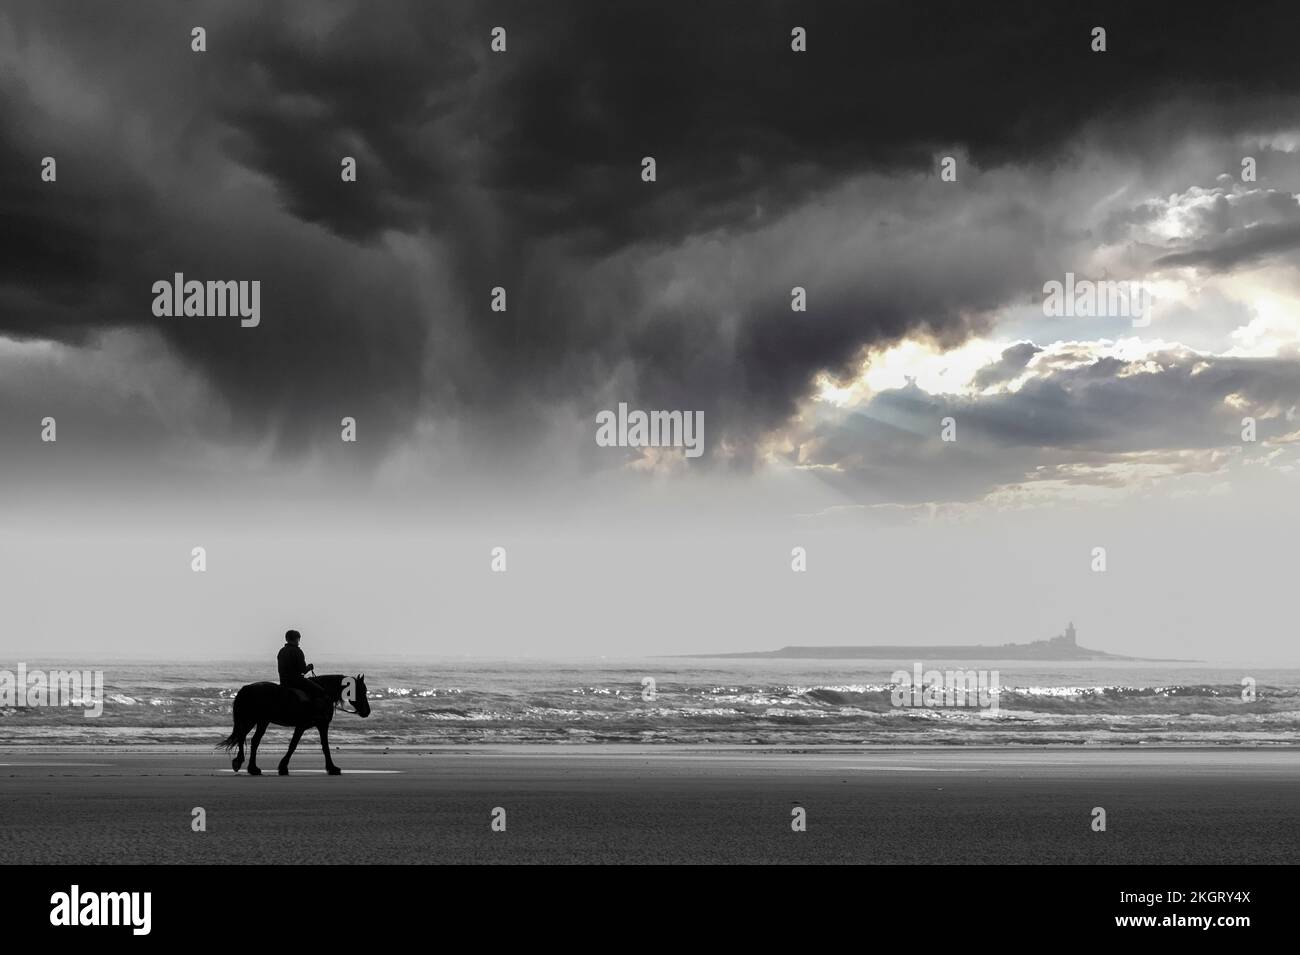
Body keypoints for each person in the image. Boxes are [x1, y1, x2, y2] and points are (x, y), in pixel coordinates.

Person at [278, 630, 328, 710]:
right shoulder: (297, 651)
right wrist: (309, 667)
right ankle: (315, 715)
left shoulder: (281, 651)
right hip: (297, 681)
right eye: (298, 639)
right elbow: (302, 670)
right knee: (321, 691)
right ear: (297, 639)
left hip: (283, 682)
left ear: (287, 639)